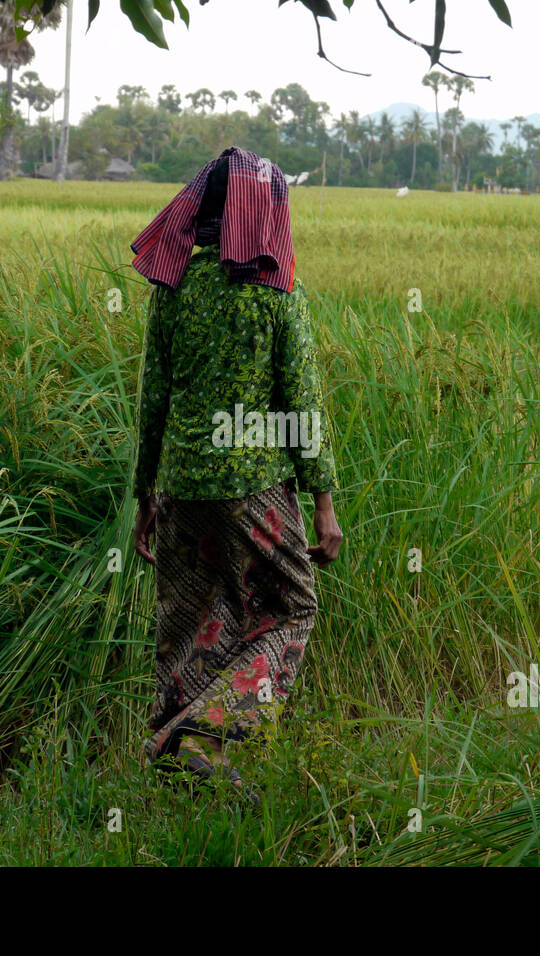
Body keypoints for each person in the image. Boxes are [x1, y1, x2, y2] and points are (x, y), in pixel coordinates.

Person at [129, 146, 343, 794]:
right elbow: (300, 402)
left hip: (181, 484)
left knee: (193, 617)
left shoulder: (175, 288)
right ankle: (207, 737)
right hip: (254, 487)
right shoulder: (280, 293)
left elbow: (153, 400)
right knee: (292, 608)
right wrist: (325, 504)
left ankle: (182, 766)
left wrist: (144, 497)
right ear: (263, 212)